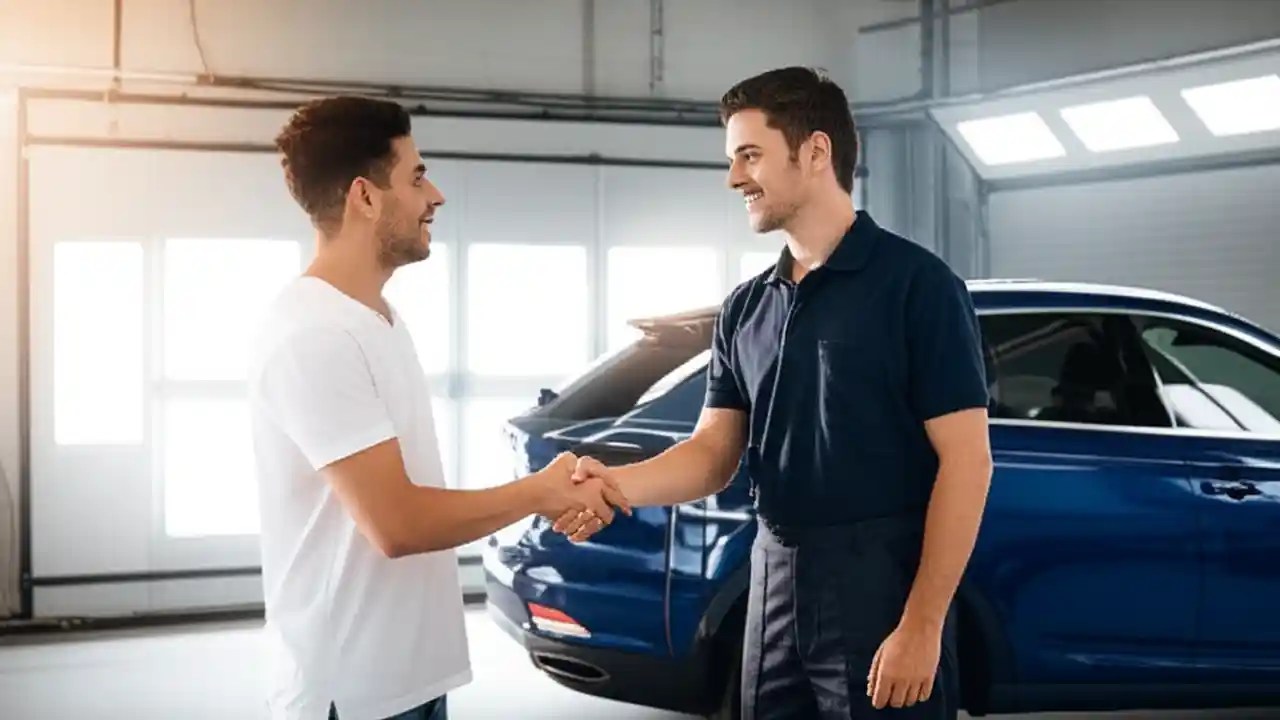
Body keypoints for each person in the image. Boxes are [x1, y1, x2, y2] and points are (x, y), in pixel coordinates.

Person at [560, 67, 993, 719]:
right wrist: (616, 486)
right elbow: (712, 453)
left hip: (880, 581)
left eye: (750, 155)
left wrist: (923, 625)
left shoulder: (918, 288)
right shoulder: (745, 308)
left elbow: (968, 462)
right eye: (733, 160)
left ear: (815, 152)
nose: (735, 178)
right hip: (773, 578)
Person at [250, 95, 630, 720]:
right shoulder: (314, 333)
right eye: (417, 175)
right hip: (353, 694)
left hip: (407, 681)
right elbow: (398, 524)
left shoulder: (377, 319)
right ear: (364, 197)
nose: (436, 196)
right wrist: (539, 492)